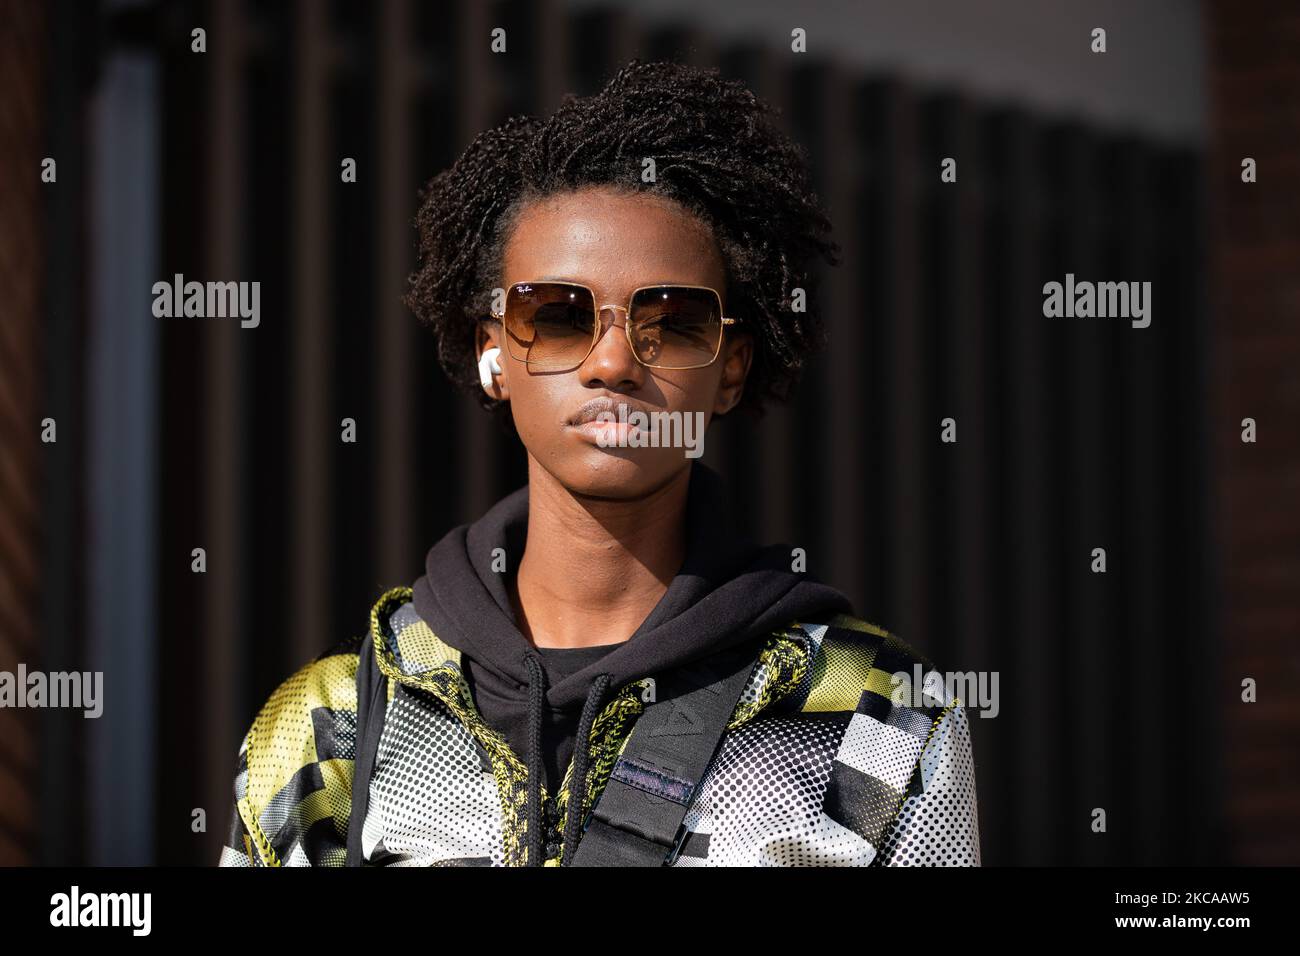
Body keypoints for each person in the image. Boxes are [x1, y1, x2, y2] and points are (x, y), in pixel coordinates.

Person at [218, 58, 980, 868]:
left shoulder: (880, 711)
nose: (613, 361)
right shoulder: (331, 723)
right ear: (493, 355)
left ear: (730, 367)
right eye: (555, 317)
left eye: (675, 321)